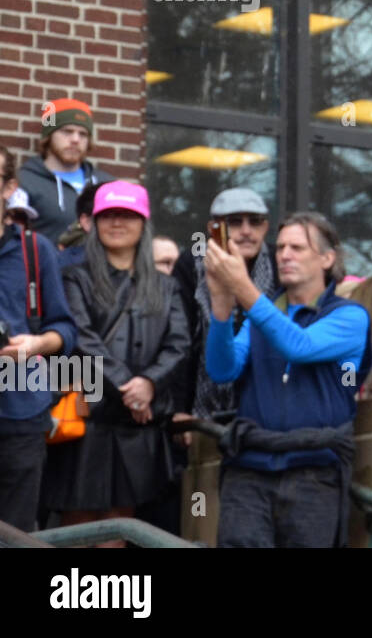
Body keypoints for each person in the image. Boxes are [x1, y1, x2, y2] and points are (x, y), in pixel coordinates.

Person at [203, 211, 371, 548]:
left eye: (297, 247)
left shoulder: (350, 315)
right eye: (280, 247)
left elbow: (299, 346)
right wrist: (221, 305)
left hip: (314, 472)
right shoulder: (263, 314)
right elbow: (222, 370)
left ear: (327, 258)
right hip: (249, 468)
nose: (284, 255)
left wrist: (242, 287)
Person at [42, 181, 190, 540]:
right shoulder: (73, 277)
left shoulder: (167, 286)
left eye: (127, 215)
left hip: (136, 426)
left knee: (120, 527)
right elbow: (82, 338)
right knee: (75, 527)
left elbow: (180, 343)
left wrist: (150, 383)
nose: (117, 222)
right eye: (108, 215)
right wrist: (131, 388)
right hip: (87, 419)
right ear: (93, 222)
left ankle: (112, 598)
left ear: (144, 223)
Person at [0, 151, 79, 533]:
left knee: (15, 533)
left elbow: (64, 330)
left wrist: (34, 345)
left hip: (21, 412)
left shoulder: (36, 250)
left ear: (9, 187)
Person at [172, 187, 279, 422]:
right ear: (214, 228)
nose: (246, 231)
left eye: (255, 221)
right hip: (203, 402)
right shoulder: (192, 263)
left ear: (266, 227)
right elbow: (181, 338)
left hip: (267, 402)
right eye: (235, 222)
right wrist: (179, 406)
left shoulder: (279, 262)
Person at [18, 98, 111, 242]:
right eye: (67, 131)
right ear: (48, 136)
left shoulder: (106, 184)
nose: (75, 139)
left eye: (83, 134)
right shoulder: (24, 182)